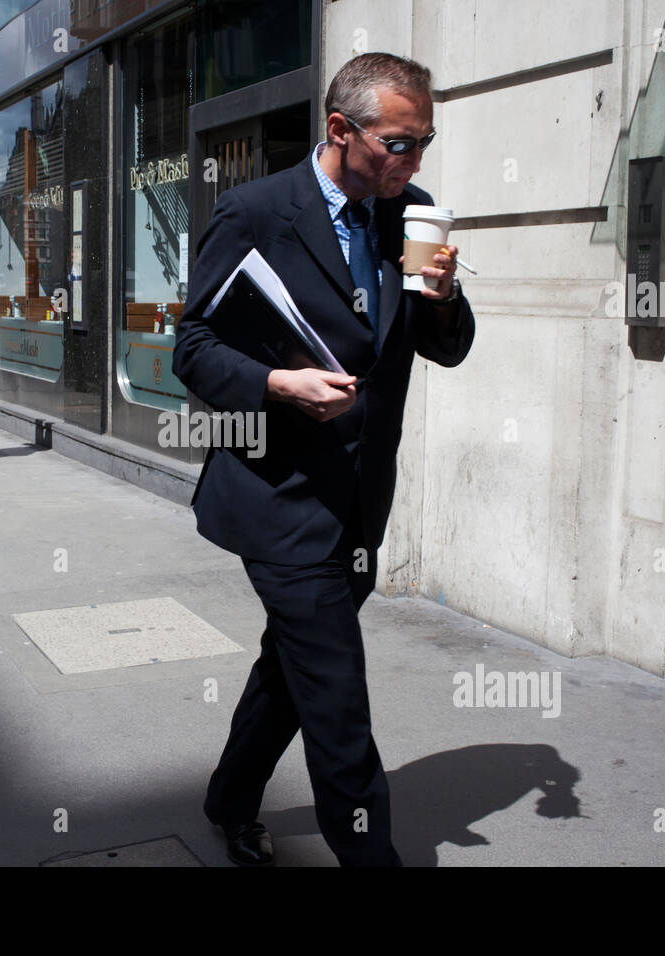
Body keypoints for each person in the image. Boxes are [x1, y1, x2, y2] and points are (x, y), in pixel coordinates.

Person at [172, 52, 476, 868]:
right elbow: (193, 349)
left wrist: (443, 298)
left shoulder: (406, 212)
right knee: (336, 693)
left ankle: (230, 798)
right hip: (277, 492)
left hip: (360, 501)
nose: (414, 161)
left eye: (424, 142)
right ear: (341, 130)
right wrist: (276, 383)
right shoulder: (255, 212)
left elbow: (447, 348)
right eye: (399, 143)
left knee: (293, 668)